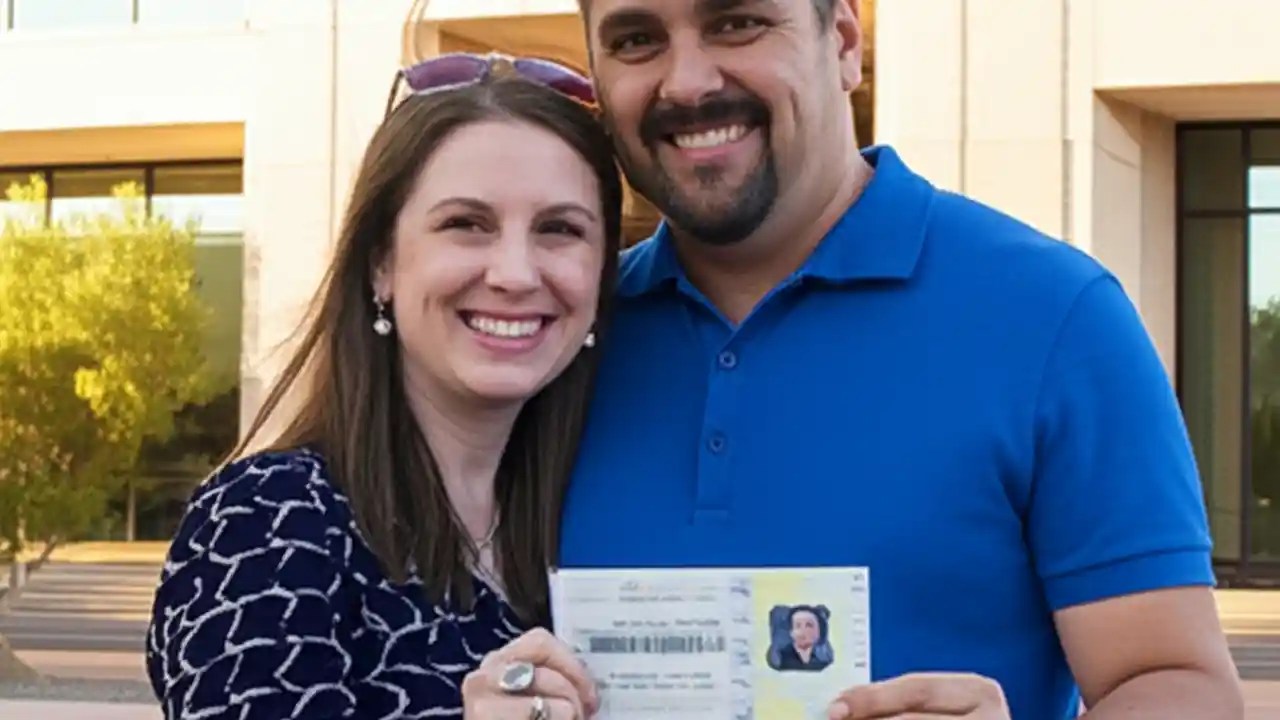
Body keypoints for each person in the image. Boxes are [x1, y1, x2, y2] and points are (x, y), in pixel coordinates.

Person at [550, 0, 1246, 718]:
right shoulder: (560, 346)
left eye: (737, 23)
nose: (687, 82)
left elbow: (1179, 683)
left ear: (844, 42)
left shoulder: (1055, 317)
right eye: (637, 41)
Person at [144, 54, 618, 720]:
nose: (515, 272)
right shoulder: (268, 526)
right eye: (467, 224)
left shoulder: (597, 528)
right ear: (381, 265)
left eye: (560, 230)